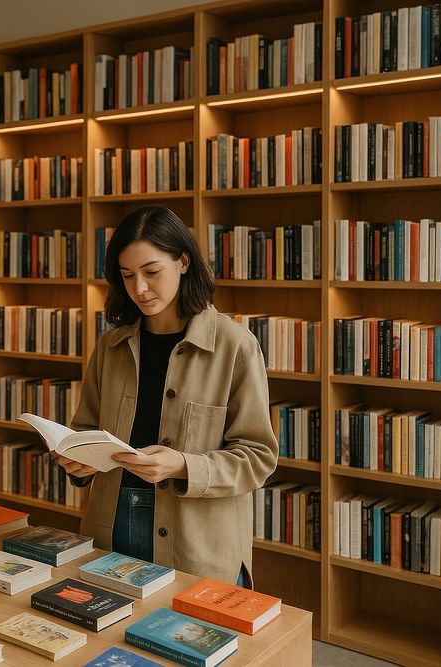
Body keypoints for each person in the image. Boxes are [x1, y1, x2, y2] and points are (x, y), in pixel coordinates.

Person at [54, 205, 277, 587]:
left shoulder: (234, 346)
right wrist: (79, 460)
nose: (139, 288)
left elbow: (258, 458)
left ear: (183, 262)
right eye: (127, 276)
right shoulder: (111, 346)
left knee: (188, 639)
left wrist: (184, 466)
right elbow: (86, 429)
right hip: (113, 522)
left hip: (197, 539)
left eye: (151, 272)